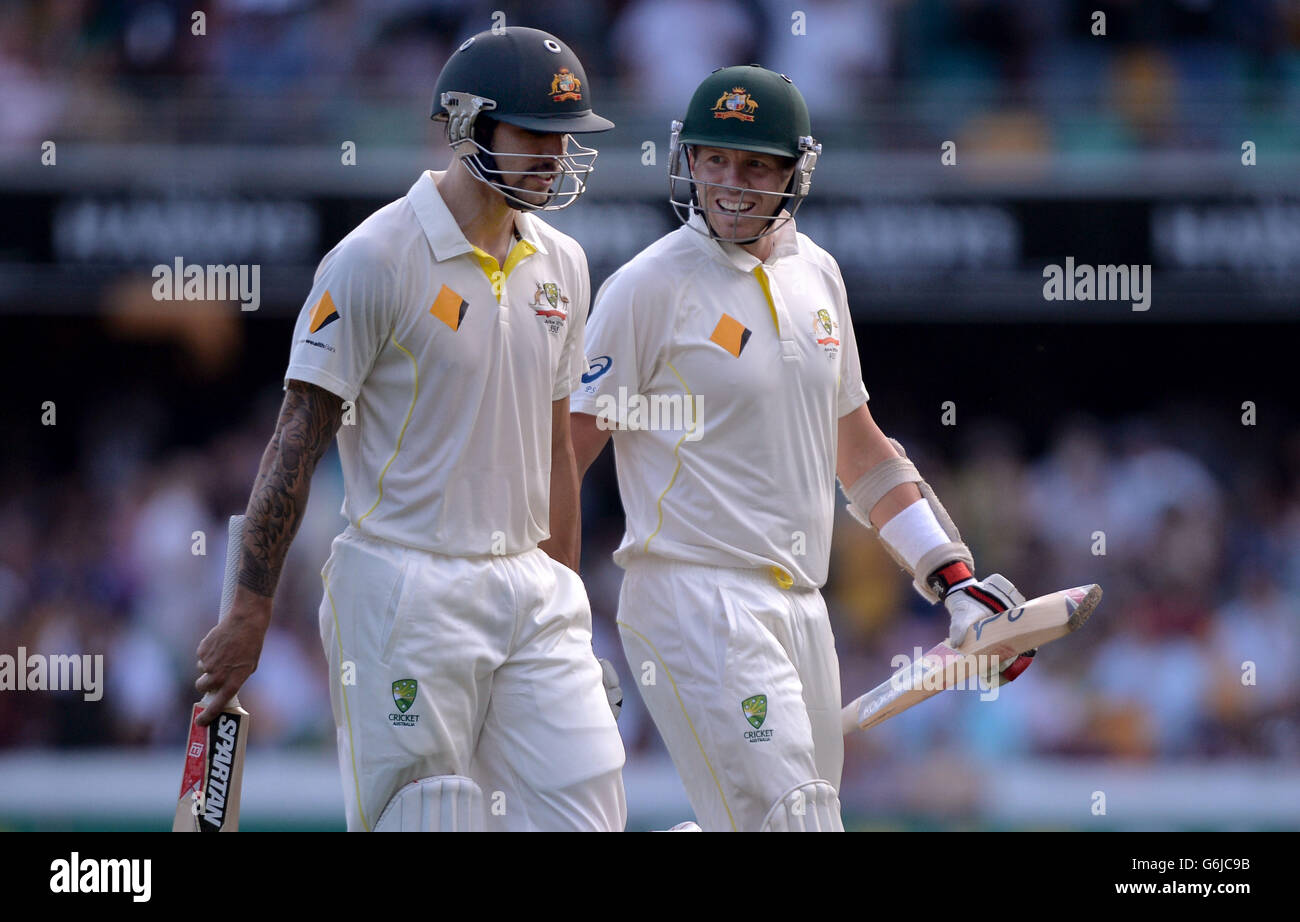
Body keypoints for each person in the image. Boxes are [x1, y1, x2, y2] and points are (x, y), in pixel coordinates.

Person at [569, 65, 1032, 832]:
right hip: (693, 592)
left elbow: (858, 447)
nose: (730, 182)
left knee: (787, 823)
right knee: (797, 818)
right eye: (713, 158)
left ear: (796, 171)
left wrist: (953, 580)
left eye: (755, 164)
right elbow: (566, 454)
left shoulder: (818, 276)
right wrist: (555, 620)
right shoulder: (648, 288)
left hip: (799, 602)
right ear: (685, 158)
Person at [192, 26, 626, 832]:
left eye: (563, 138)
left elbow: (557, 449)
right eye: (535, 133)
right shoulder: (374, 258)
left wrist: (567, 595)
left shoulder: (564, 262)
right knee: (430, 817)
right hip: (403, 585)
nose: (555, 156)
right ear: (468, 125)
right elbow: (299, 434)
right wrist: (250, 614)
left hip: (531, 590)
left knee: (587, 818)